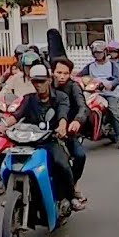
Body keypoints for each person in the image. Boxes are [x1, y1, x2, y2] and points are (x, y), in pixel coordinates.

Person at [4, 64, 80, 210]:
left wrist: (62, 127)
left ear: (49, 80)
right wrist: (2, 125)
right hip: (29, 142)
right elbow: (16, 116)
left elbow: (63, 115)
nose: (38, 85)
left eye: (41, 81)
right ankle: (12, 194)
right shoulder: (28, 99)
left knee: (62, 164)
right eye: (35, 82)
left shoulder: (60, 97)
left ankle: (71, 196)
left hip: (50, 140)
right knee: (8, 162)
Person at [50, 57, 89, 208]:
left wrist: (77, 121)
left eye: (65, 73)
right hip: (44, 131)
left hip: (68, 132)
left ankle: (71, 186)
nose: (61, 76)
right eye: (58, 72)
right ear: (52, 72)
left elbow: (82, 107)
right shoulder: (46, 85)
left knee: (79, 156)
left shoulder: (74, 87)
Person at [78, 41, 119, 149]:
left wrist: (110, 84)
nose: (98, 55)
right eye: (96, 53)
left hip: (109, 93)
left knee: (113, 111)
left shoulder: (112, 65)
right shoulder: (90, 66)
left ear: (105, 52)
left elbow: (118, 78)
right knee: (81, 106)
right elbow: (79, 75)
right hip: (94, 92)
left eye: (100, 52)